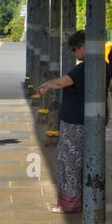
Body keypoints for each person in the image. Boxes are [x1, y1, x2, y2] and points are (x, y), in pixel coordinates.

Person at [38, 30, 87, 212]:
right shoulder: (101, 66)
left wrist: (46, 85)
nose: (75, 53)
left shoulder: (85, 68)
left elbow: (63, 82)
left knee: (69, 162)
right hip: (81, 121)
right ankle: (77, 200)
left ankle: (70, 203)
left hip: (75, 122)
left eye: (75, 49)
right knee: (75, 162)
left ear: (84, 46)